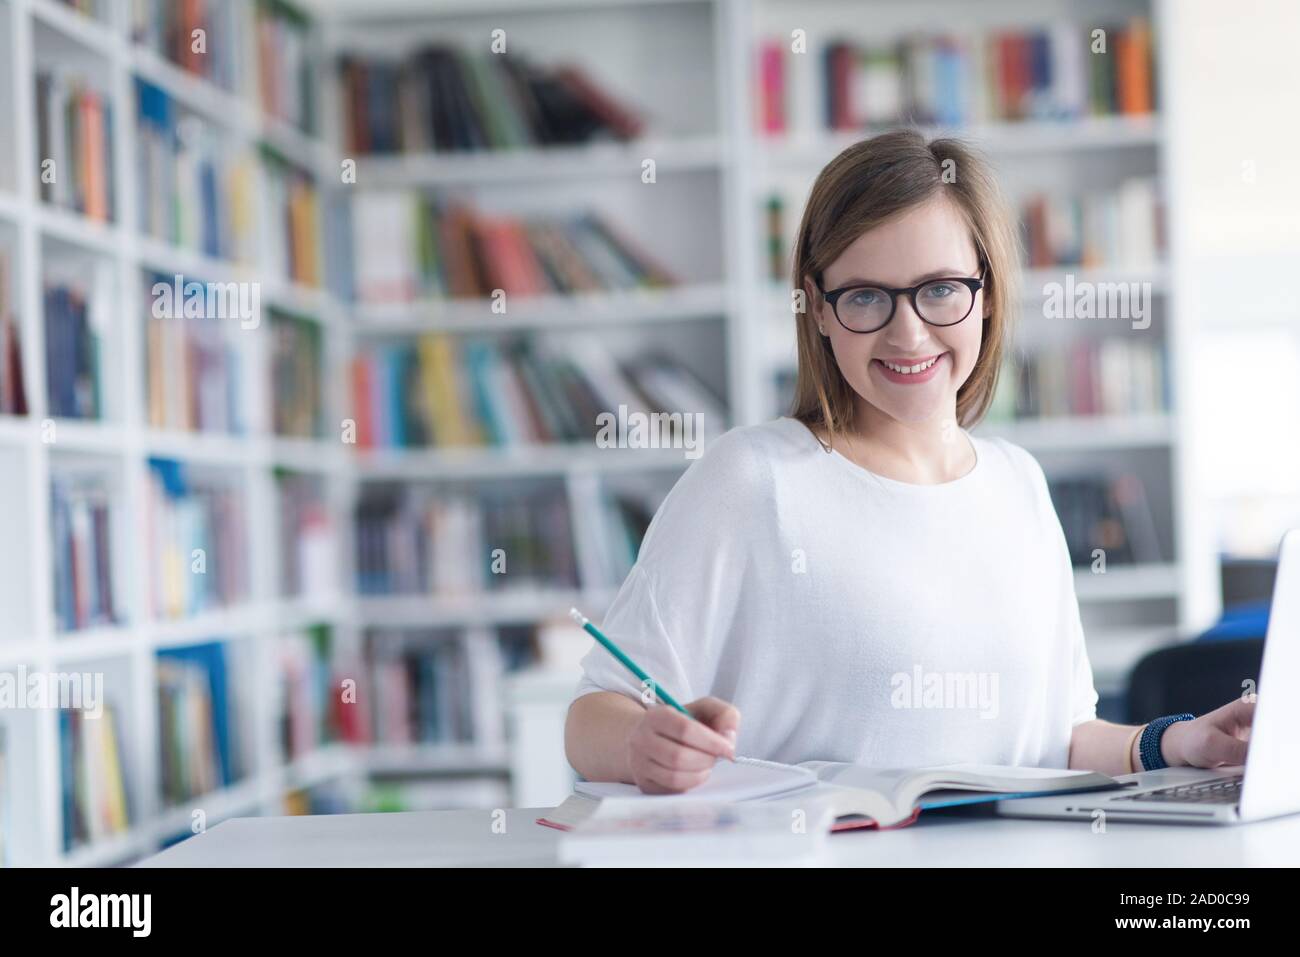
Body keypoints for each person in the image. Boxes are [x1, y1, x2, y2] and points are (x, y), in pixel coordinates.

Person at [564, 130, 1253, 794]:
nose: (908, 331)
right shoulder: (751, 478)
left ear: (985, 292)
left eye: (940, 288)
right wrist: (638, 745)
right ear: (819, 308)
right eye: (865, 295)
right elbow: (592, 716)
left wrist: (1179, 741)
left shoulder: (1018, 484)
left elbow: (1060, 741)